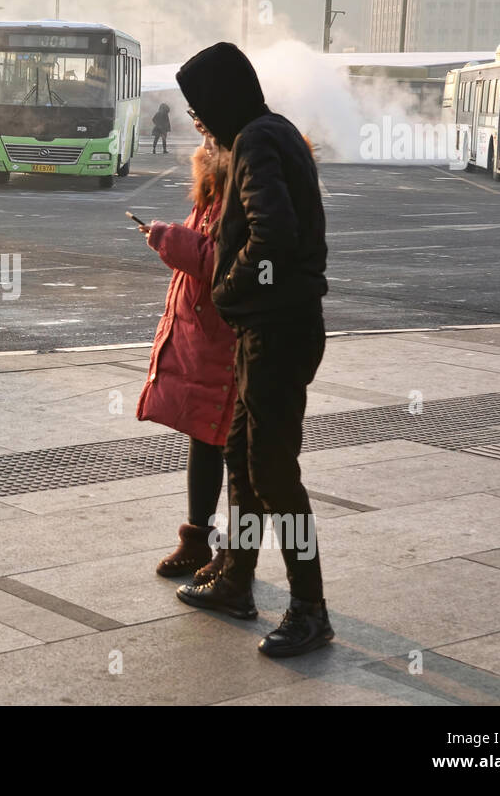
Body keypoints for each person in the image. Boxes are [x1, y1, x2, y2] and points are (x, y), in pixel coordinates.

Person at [173, 41, 332, 658]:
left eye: (199, 108)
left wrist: (231, 288)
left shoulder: (257, 142)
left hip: (277, 330)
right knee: (241, 456)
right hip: (270, 328)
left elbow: (274, 237)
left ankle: (309, 608)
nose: (199, 121)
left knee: (272, 472)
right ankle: (236, 575)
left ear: (220, 98)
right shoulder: (271, 131)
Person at [137, 127, 237, 583]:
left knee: (236, 451)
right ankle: (200, 539)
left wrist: (167, 239)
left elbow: (222, 261)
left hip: (228, 338)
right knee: (206, 436)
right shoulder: (216, 183)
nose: (204, 143)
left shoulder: (242, 184)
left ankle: (236, 561)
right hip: (208, 335)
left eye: (210, 135)